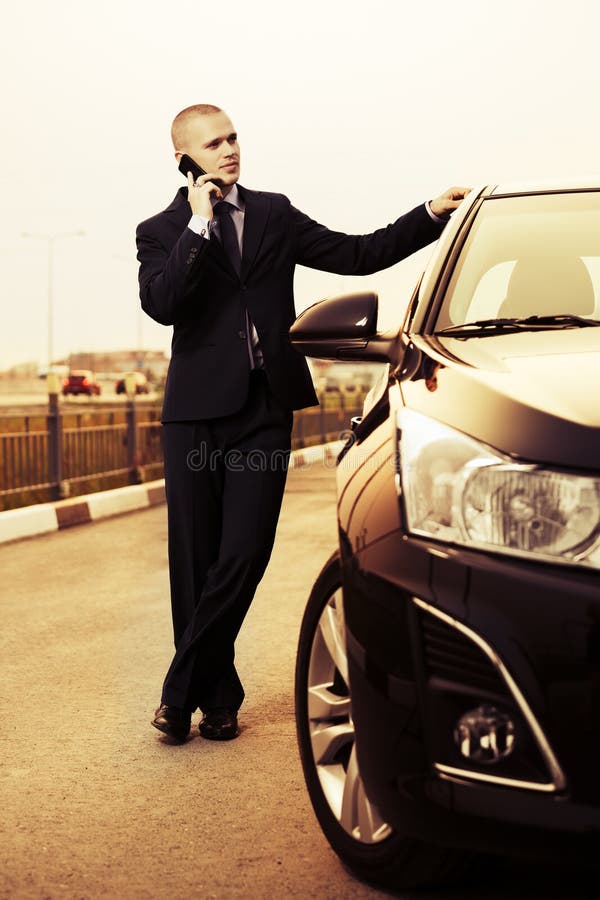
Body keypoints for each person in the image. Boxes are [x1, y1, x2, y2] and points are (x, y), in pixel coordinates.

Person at [136, 103, 470, 743]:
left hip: (264, 410)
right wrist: (199, 226)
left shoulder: (274, 213)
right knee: (195, 563)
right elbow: (163, 302)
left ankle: (177, 691)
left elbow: (360, 253)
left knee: (243, 554)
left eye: (233, 137)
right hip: (193, 419)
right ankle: (218, 698)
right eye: (214, 143)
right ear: (183, 158)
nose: (230, 150)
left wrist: (429, 214)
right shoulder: (161, 231)